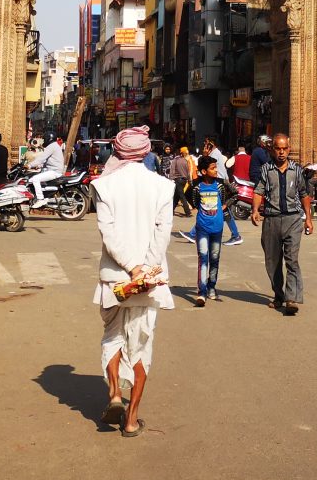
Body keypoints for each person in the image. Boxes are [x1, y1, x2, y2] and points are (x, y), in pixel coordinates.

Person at [91, 126, 173, 439]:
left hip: (115, 276)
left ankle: (114, 394)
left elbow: (107, 233)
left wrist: (130, 266)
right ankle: (131, 418)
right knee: (141, 344)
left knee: (112, 335)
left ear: (119, 151)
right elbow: (161, 232)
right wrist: (145, 268)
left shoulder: (105, 185)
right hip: (149, 281)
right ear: (145, 151)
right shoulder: (163, 187)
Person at [250, 132, 313, 314]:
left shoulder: (296, 170)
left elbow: (304, 194)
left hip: (293, 220)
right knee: (273, 261)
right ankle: (279, 295)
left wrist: (308, 218)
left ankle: (291, 298)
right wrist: (255, 210)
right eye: (278, 148)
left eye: (284, 148)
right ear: (272, 149)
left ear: (289, 149)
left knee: (292, 260)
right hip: (271, 220)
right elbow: (258, 191)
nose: (281, 152)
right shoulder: (266, 170)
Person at [190, 154, 230, 306]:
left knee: (214, 258)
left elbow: (232, 195)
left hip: (217, 227)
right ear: (204, 171)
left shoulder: (220, 185)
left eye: (216, 168)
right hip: (202, 228)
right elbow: (194, 201)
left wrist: (225, 206)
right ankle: (201, 292)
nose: (216, 171)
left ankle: (212, 287)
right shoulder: (197, 187)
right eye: (213, 168)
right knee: (203, 258)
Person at [25, 131, 66, 208]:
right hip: (52, 170)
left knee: (35, 179)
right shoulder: (54, 146)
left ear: (48, 138)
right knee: (32, 179)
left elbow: (41, 158)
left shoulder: (52, 146)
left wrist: (29, 165)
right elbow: (46, 160)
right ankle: (44, 196)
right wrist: (39, 166)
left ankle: (40, 199)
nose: (43, 140)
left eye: (44, 139)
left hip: (54, 171)